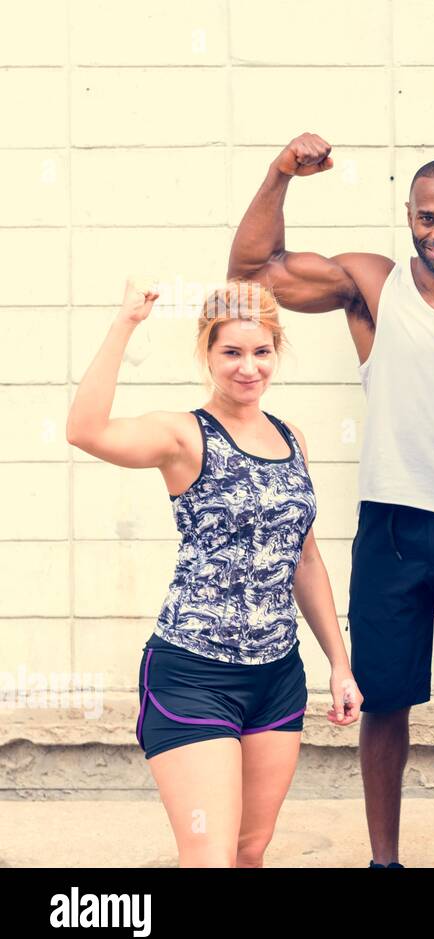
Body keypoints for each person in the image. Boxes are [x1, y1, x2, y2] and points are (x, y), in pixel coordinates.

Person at [228, 132, 434, 868]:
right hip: (392, 526)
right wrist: (282, 173)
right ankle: (385, 859)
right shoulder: (375, 283)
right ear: (409, 214)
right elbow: (252, 272)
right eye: (428, 218)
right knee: (383, 702)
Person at [66, 278, 362, 867]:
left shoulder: (291, 438)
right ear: (207, 353)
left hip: (277, 678)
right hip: (192, 677)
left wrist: (340, 664)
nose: (248, 367)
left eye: (261, 351)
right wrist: (125, 324)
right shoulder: (183, 434)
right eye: (231, 352)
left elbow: (304, 558)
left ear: (277, 350)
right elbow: (86, 431)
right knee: (209, 856)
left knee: (250, 851)